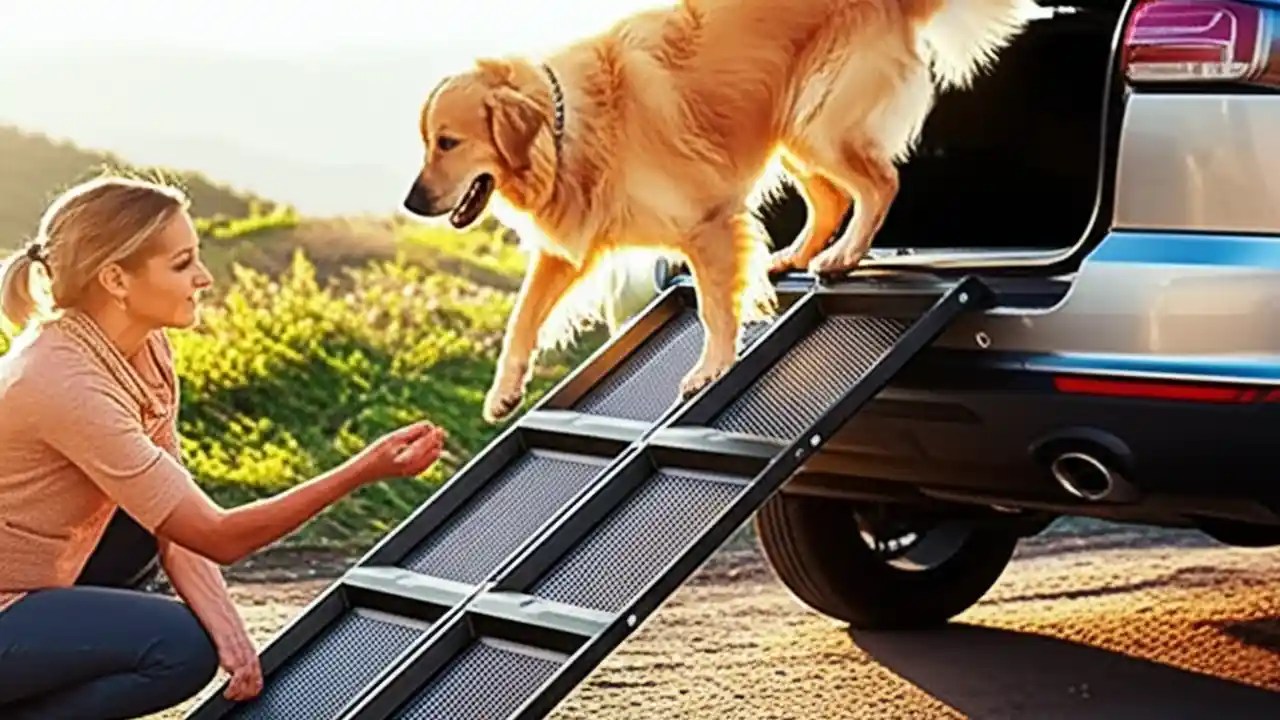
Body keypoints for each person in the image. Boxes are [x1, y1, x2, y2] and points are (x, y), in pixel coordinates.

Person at [0, 175, 446, 719]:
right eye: (183, 264)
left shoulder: (142, 349)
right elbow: (218, 536)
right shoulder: (62, 380)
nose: (204, 278)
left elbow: (179, 521)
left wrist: (233, 635)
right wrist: (362, 469)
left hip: (31, 589)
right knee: (178, 648)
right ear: (116, 278)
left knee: (144, 529)